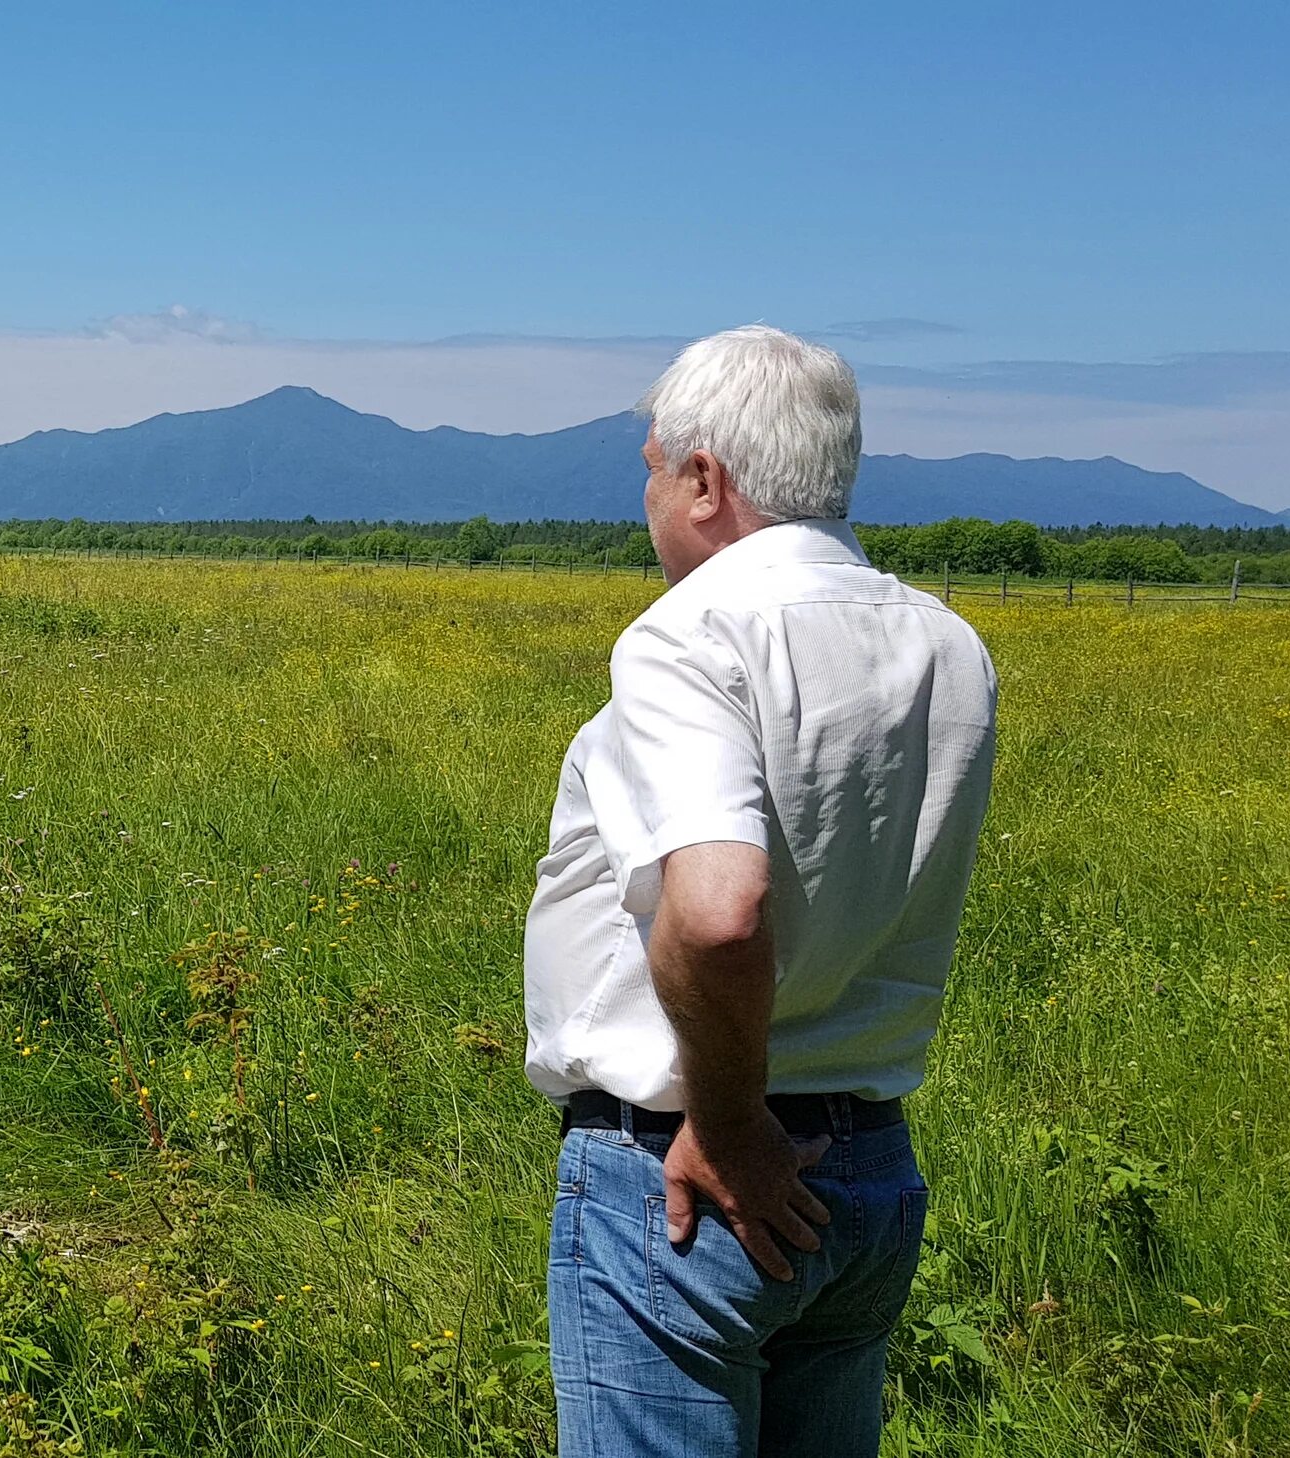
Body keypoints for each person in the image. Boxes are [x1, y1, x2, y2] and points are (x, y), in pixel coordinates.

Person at [526, 325, 998, 1456]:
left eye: (651, 468)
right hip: (869, 1161)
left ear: (705, 480)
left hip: (689, 1171)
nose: (644, 499)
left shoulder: (690, 639)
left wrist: (727, 1124)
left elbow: (720, 908)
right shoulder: (947, 643)